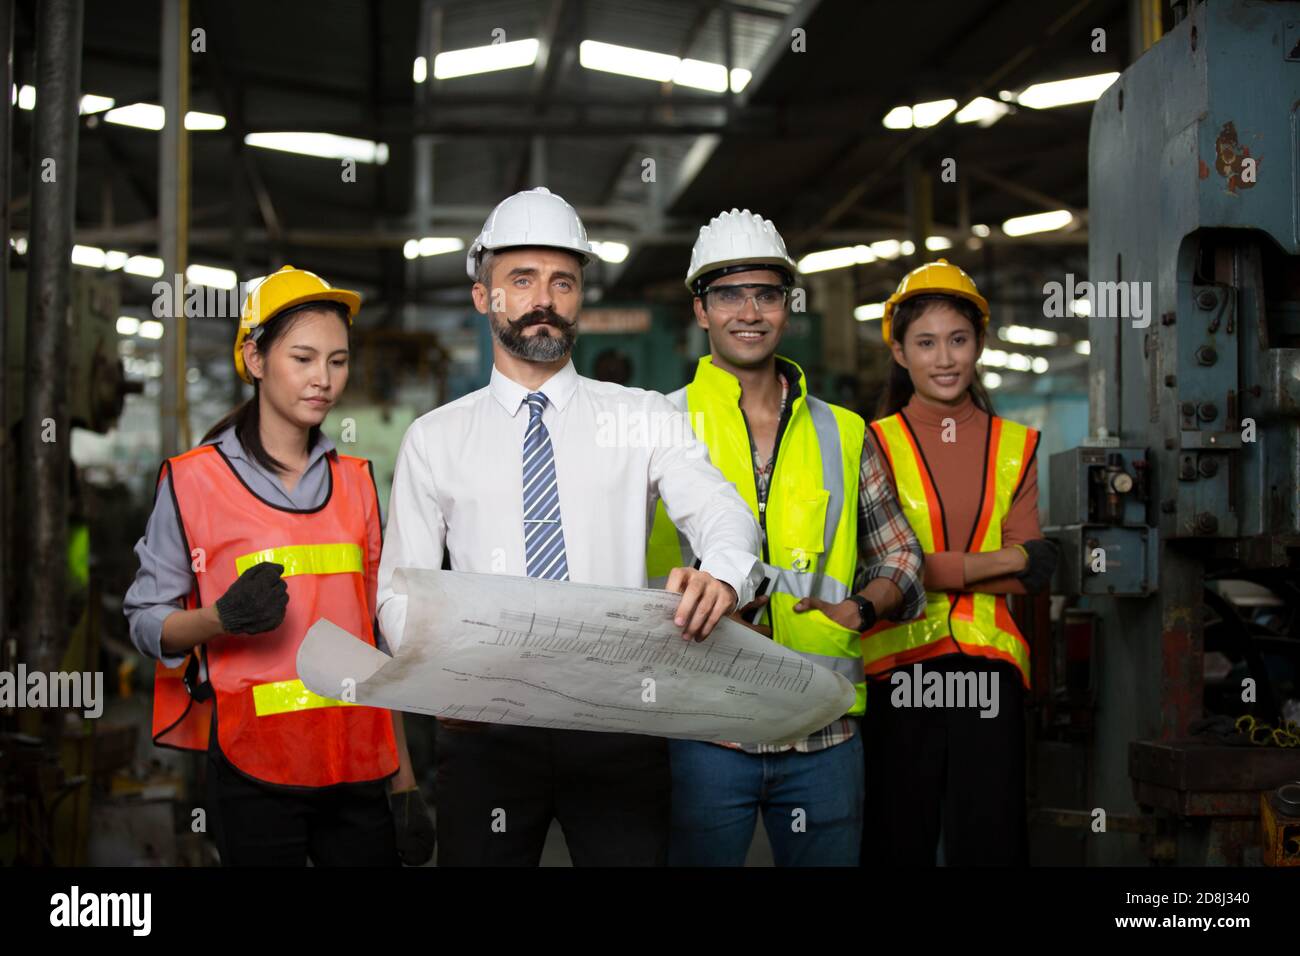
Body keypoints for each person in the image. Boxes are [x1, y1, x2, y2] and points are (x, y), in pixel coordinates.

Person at [376, 187, 763, 867]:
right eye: (520, 280)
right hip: (486, 728)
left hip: (616, 722)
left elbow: (723, 511)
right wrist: (441, 676)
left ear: (581, 295)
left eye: (562, 281)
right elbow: (399, 593)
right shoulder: (434, 439)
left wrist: (724, 575)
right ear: (483, 297)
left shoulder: (642, 415)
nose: (543, 299)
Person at [124, 266, 435, 867]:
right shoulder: (193, 481)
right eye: (303, 358)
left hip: (357, 767)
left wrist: (404, 785)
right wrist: (219, 618)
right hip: (254, 768)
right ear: (255, 359)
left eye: (337, 361)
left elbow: (377, 643)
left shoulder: (358, 486)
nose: (324, 380)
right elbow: (144, 621)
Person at [646, 209, 926, 866]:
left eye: (766, 293)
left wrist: (858, 608)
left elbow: (903, 555)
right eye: (728, 294)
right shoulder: (657, 423)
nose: (750, 311)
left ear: (787, 307)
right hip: (704, 732)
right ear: (700, 311)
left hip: (821, 732)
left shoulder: (846, 431)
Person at [860, 259, 1057, 866]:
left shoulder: (1015, 445)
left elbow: (1034, 571)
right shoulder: (868, 442)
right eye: (925, 343)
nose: (943, 358)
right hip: (897, 672)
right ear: (899, 352)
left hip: (989, 674)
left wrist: (922, 566)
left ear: (979, 346)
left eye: (957, 340)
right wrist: (992, 562)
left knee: (990, 843)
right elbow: (870, 570)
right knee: (897, 842)